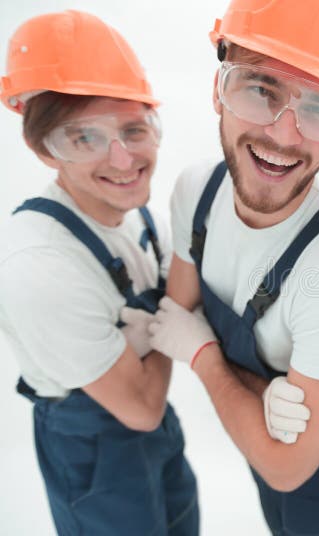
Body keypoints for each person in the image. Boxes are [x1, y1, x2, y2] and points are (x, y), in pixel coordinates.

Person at [146, 0, 319, 534]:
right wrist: (256, 404)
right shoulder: (196, 192)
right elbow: (178, 312)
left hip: (318, 460)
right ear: (217, 90)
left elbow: (288, 465)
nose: (284, 135)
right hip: (259, 423)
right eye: (259, 91)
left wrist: (204, 356)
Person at [0, 10, 198, 536]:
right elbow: (140, 407)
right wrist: (178, 314)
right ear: (42, 148)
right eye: (83, 138)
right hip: (91, 449)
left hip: (156, 431)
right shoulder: (37, 267)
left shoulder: (140, 216)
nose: (123, 158)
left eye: (135, 130)